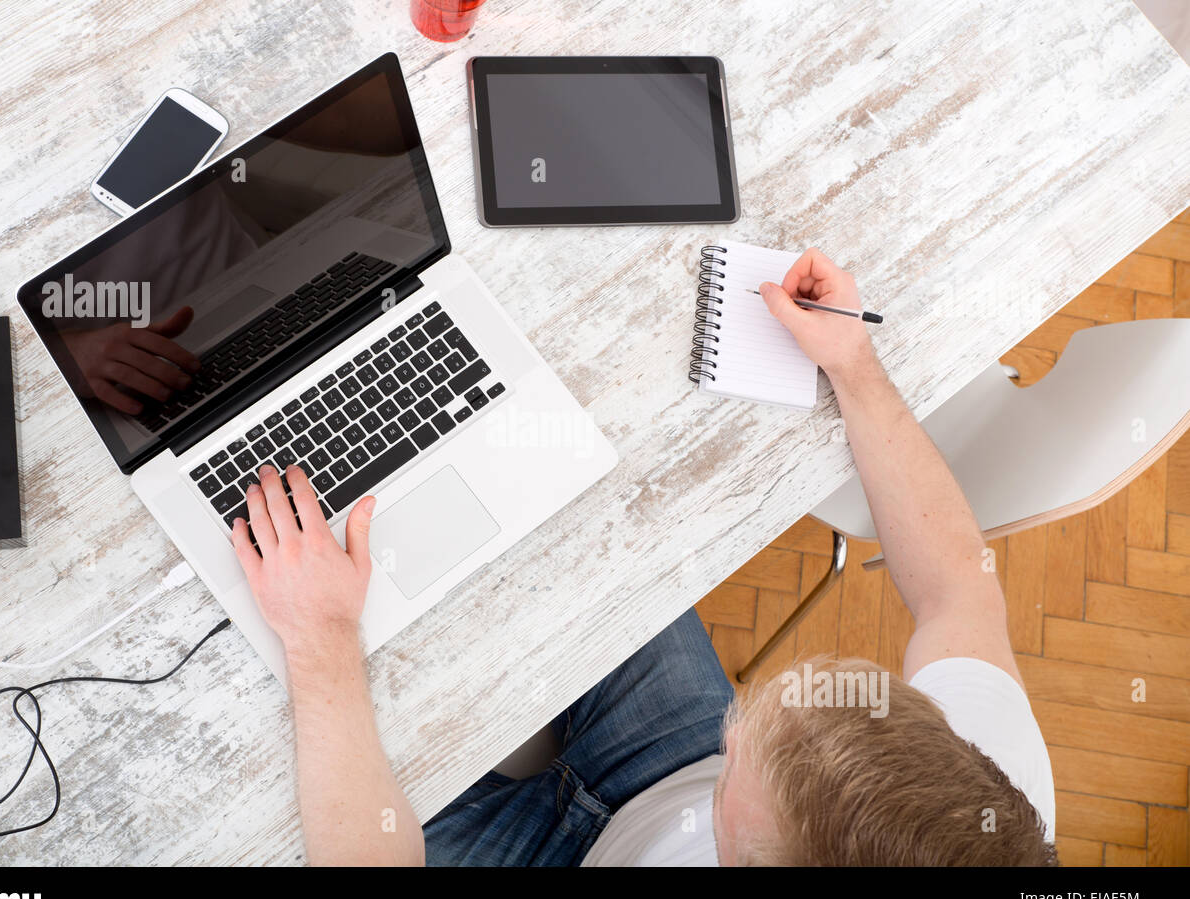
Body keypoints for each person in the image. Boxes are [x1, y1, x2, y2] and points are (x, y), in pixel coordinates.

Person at [228, 248, 1057, 866]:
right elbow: (958, 595)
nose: (731, 725)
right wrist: (854, 364)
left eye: (739, 759)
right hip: (661, 764)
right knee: (562, 500)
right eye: (759, 713)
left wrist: (321, 640)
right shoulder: (982, 807)